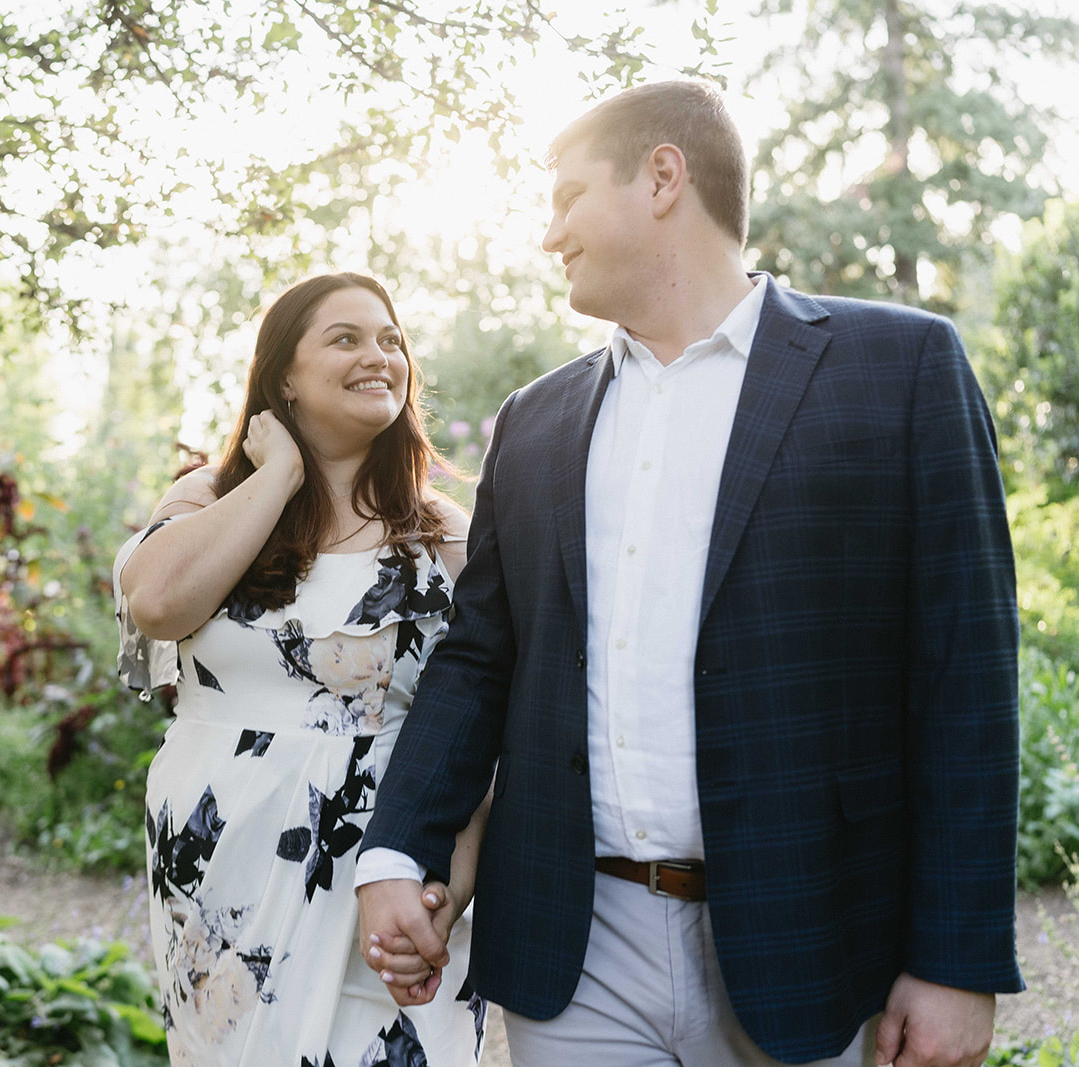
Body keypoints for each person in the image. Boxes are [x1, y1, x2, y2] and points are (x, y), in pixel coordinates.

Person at [354, 80, 1022, 1067]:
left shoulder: (901, 368)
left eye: (569, 198)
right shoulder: (535, 419)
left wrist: (957, 961)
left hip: (816, 939)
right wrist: (396, 846)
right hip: (576, 951)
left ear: (663, 177)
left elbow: (968, 676)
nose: (550, 234)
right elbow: (479, 659)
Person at [114, 272, 490, 1066]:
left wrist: (451, 885)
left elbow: (490, 723)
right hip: (217, 871)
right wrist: (280, 474)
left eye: (391, 340)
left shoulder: (443, 534)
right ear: (284, 374)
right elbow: (157, 602)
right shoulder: (208, 497)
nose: (378, 356)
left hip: (382, 870)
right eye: (346, 338)